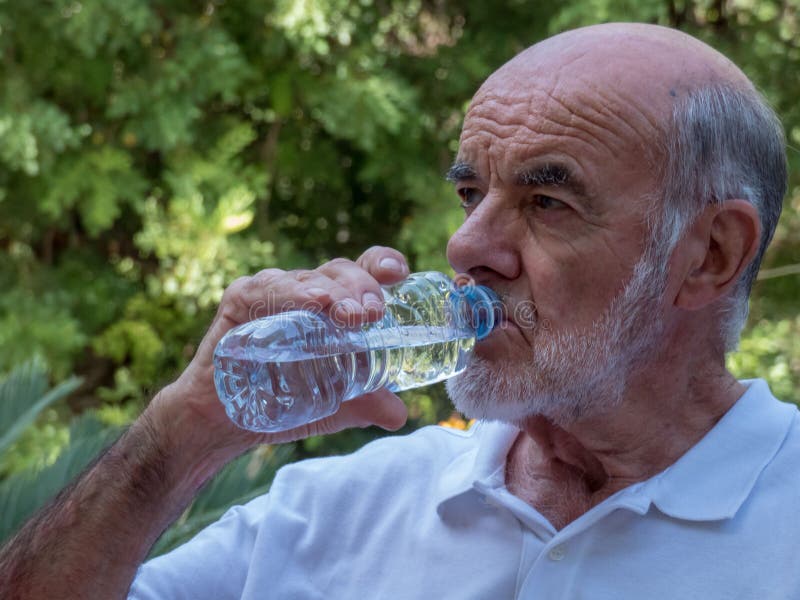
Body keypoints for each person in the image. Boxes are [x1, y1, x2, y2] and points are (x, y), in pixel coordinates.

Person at [1, 21, 796, 599]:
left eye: (547, 201)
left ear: (709, 256)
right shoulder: (333, 510)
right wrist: (183, 433)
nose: (466, 248)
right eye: (470, 194)